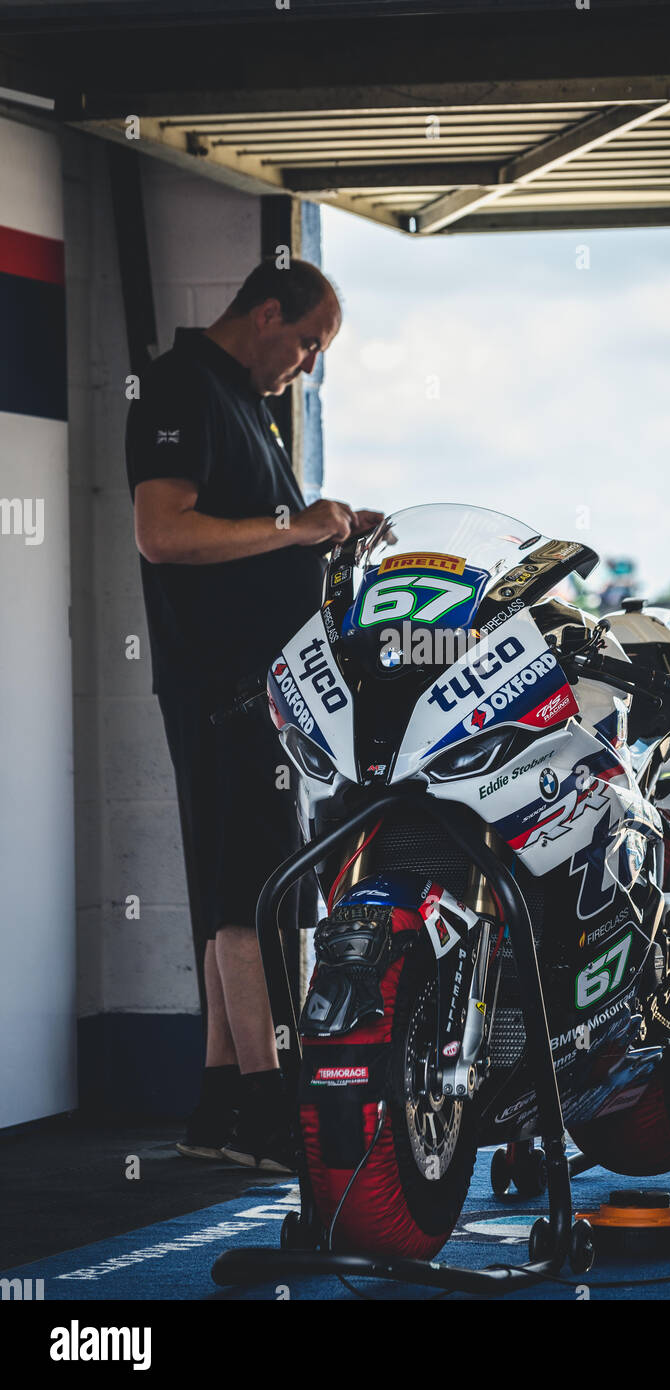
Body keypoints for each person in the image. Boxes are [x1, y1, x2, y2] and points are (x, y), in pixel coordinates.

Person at [126, 258, 383, 1170]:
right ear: (267, 313)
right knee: (250, 901)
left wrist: (333, 531)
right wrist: (295, 530)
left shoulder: (244, 401)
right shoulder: (179, 386)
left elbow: (260, 535)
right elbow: (161, 532)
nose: (307, 363)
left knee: (229, 896)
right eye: (309, 341)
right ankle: (274, 1112)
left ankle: (220, 1109)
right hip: (220, 687)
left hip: (259, 687)